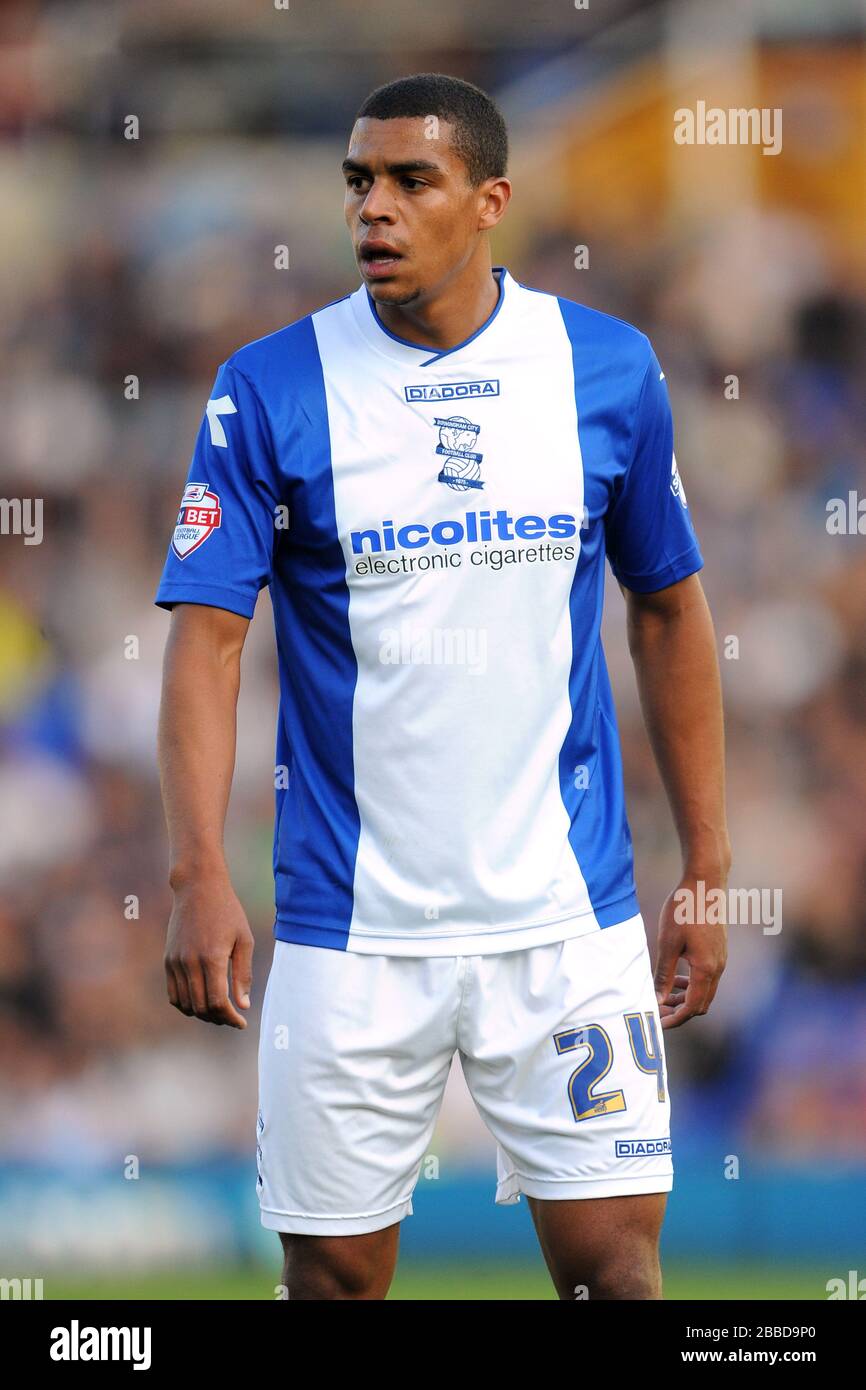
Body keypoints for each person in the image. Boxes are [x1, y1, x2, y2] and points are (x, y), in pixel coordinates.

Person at [155, 72, 730, 1301]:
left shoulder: (605, 370)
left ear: (489, 201)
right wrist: (199, 868)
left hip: (566, 920)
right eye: (358, 180)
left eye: (411, 181)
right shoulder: (268, 385)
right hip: (347, 932)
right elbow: (205, 637)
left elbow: (669, 608)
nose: (374, 206)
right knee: (333, 1286)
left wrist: (709, 866)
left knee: (616, 1278)